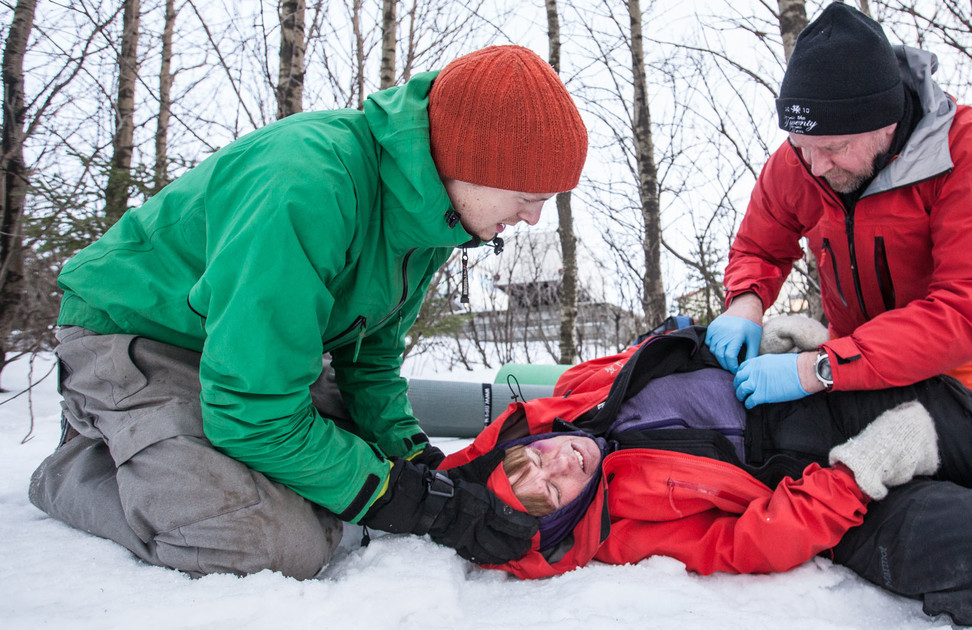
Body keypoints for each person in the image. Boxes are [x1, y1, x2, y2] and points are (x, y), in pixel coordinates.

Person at [27, 45, 588, 578]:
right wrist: (412, 504)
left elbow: (368, 361)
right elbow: (254, 412)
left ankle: (170, 451)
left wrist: (416, 463)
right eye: (529, 196)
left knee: (351, 467)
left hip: (249, 354)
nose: (533, 219)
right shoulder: (308, 183)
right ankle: (85, 459)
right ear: (472, 162)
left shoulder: (434, 221)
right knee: (269, 539)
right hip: (138, 337)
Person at [442, 321, 972, 626]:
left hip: (823, 393)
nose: (557, 465)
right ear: (566, 521)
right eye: (552, 493)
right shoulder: (624, 529)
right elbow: (751, 544)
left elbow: (687, 344)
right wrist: (863, 471)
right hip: (833, 489)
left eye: (529, 462)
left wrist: (785, 341)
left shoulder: (578, 396)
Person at [706, 2, 972, 410]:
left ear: (886, 123)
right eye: (799, 143)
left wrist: (820, 368)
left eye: (834, 148)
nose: (813, 165)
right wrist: (746, 301)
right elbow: (759, 246)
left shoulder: (967, 154)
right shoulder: (801, 159)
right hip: (848, 364)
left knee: (965, 472)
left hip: (960, 369)